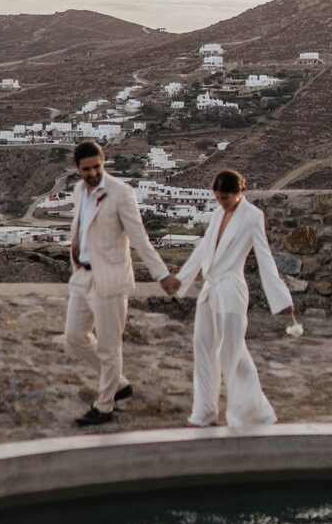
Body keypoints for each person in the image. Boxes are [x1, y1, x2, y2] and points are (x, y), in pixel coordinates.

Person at [65, 140, 179, 428]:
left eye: (97, 167)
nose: (92, 173)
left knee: (109, 346)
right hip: (83, 276)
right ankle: (119, 383)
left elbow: (140, 238)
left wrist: (162, 274)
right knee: (74, 338)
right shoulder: (79, 191)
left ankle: (104, 406)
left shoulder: (121, 194)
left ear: (104, 163)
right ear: (77, 169)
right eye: (86, 169)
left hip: (111, 279)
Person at [172, 168, 292, 428]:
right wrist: (181, 279)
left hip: (232, 291)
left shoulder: (252, 216)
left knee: (232, 353)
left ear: (239, 193)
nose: (221, 202)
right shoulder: (217, 214)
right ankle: (203, 412)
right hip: (210, 290)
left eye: (225, 198)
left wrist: (281, 295)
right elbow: (204, 249)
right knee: (202, 347)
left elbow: (264, 256)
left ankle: (253, 414)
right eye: (217, 198)